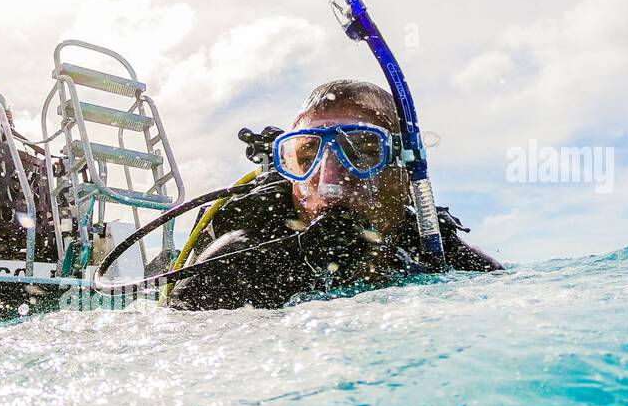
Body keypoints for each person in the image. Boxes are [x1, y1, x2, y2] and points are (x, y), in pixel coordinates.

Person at [165, 79, 503, 310]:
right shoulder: (241, 262)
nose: (329, 181)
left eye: (364, 151)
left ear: (406, 175)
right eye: (306, 156)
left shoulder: (440, 259)